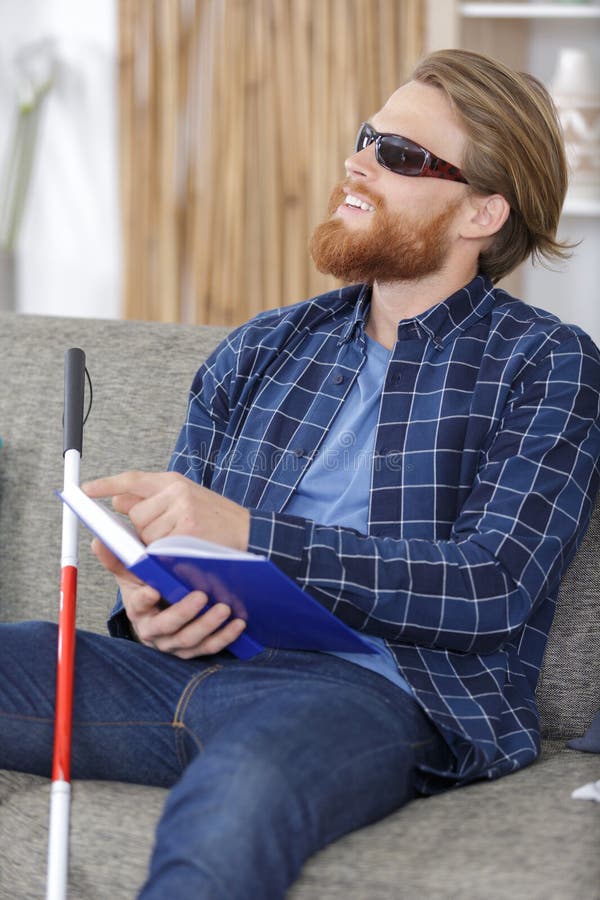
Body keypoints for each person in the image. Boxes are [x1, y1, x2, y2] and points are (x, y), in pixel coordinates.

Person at [2, 48, 600, 899]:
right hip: (190, 671)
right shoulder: (263, 346)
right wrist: (151, 605)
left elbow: (491, 586)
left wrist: (251, 536)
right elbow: (183, 541)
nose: (357, 164)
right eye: (367, 138)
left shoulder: (548, 365)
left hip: (377, 694)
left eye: (400, 155)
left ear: (482, 211)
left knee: (233, 801)